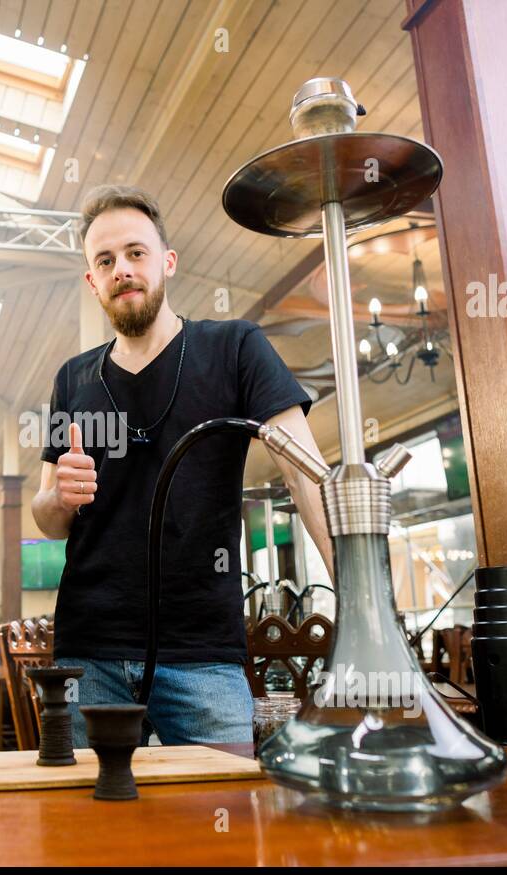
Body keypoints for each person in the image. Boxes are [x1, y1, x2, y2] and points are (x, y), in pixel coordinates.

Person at [31, 184, 333, 747]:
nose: (121, 268)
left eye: (135, 252)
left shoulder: (235, 347)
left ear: (167, 262)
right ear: (91, 280)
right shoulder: (73, 378)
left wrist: (362, 604)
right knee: (87, 829)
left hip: (203, 655)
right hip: (89, 651)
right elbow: (48, 518)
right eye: (105, 260)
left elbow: (306, 473)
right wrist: (59, 498)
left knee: (220, 820)